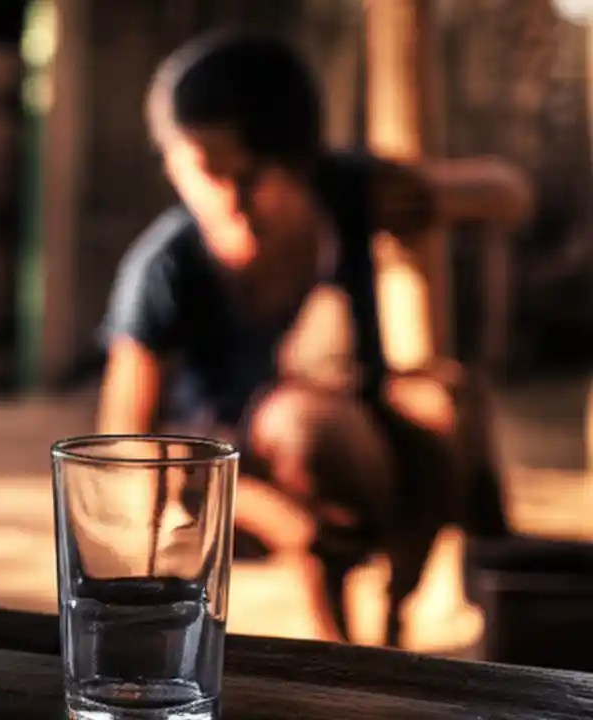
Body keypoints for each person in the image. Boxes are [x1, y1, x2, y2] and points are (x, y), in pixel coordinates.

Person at [98, 32, 510, 645]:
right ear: (173, 165)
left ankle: (414, 609)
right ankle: (335, 639)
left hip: (358, 435)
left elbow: (507, 190)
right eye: (210, 175)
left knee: (448, 403)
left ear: (298, 161)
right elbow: (122, 449)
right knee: (303, 426)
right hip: (231, 479)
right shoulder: (163, 268)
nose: (234, 202)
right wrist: (273, 515)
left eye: (255, 177)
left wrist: (428, 194)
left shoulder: (347, 191)